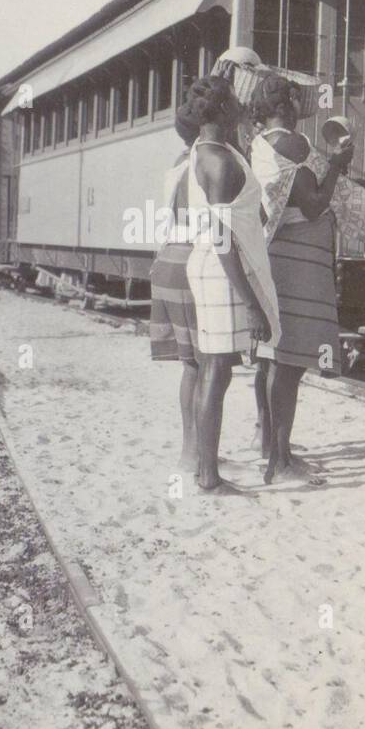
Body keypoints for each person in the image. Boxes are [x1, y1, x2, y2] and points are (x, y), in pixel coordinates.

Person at [248, 75, 365, 484]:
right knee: (292, 364)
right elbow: (315, 204)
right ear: (290, 104)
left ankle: (269, 448)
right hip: (300, 260)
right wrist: (335, 163)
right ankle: (281, 462)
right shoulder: (293, 144)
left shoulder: (259, 145)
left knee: (272, 359)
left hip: (274, 254)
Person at [184, 75, 280, 493]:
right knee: (217, 369)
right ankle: (208, 476)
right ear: (222, 111)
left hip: (219, 263)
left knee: (214, 368)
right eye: (238, 103)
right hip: (222, 267)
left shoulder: (212, 150)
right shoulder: (219, 162)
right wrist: (252, 304)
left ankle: (204, 469)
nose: (245, 107)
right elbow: (223, 238)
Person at [148, 107, 203, 475]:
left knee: (192, 367)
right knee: (204, 367)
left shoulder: (178, 162)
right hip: (189, 261)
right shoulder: (202, 164)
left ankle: (193, 448)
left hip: (167, 258)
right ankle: (192, 454)